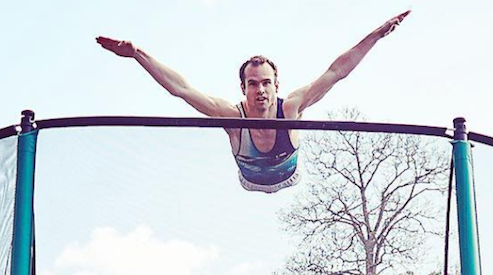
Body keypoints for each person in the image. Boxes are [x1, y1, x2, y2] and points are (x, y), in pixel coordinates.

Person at [96, 10, 410, 193]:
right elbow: (180, 88)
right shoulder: (232, 115)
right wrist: (137, 54)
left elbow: (336, 71)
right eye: (253, 84)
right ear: (243, 87)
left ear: (277, 85)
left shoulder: (291, 108)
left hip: (289, 176)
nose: (260, 91)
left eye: (266, 83)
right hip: (250, 181)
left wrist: (377, 35)